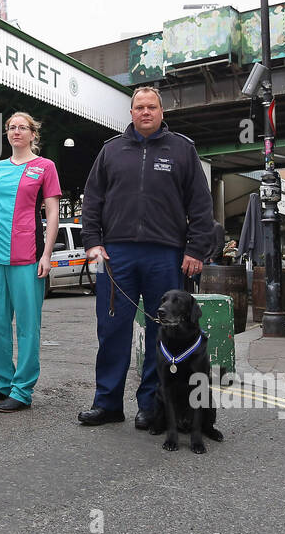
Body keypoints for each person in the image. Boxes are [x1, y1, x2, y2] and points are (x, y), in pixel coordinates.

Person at [77, 86, 217, 428]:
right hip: (116, 254)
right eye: (139, 107)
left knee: (162, 332)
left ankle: (153, 406)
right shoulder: (111, 151)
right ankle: (107, 403)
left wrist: (196, 249)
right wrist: (92, 241)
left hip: (165, 254)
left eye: (151, 107)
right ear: (131, 112)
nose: (145, 112)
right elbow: (92, 200)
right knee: (112, 331)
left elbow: (200, 204)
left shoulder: (183, 149)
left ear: (161, 111)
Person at [0, 112, 61, 413]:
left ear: (34, 134)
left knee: (27, 325)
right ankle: (3, 382)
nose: (16, 132)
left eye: (23, 128)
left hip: (28, 255)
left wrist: (46, 255)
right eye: (11, 128)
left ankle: (22, 390)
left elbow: (52, 214)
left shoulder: (45, 167)